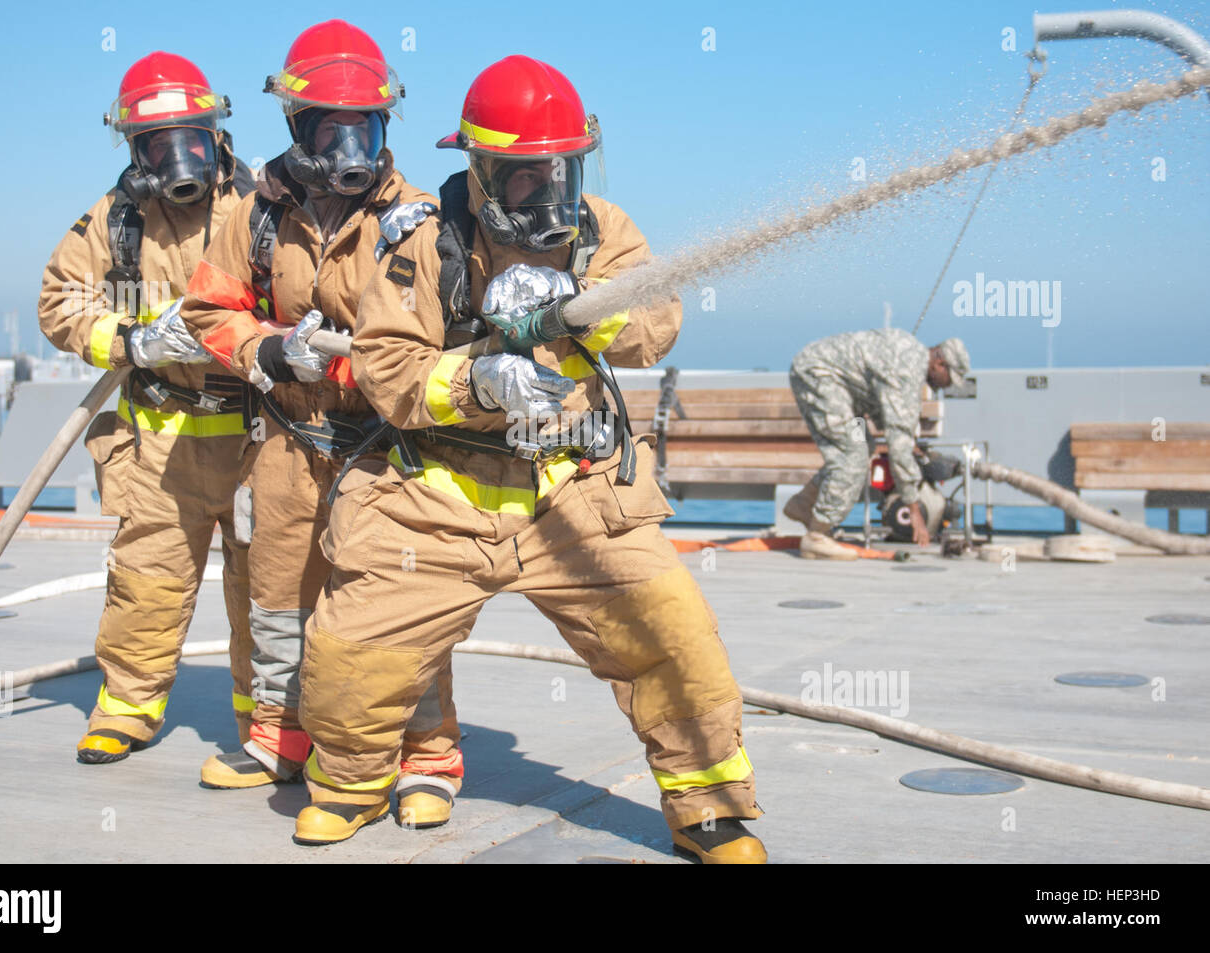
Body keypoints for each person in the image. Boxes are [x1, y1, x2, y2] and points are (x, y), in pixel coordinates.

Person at [293, 55, 767, 864]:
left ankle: (711, 809)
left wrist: (580, 315)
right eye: (522, 180)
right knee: (347, 661)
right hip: (435, 495)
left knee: (676, 634)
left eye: (560, 172)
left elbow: (657, 322)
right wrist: (479, 377)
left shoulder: (605, 232)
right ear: (480, 176)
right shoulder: (421, 248)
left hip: (573, 492)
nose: (545, 194)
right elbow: (389, 373)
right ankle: (349, 784)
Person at [180, 20, 462, 827]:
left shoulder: (412, 216)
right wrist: (271, 352)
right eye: (331, 129)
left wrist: (342, 362)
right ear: (297, 129)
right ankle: (282, 734)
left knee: (394, 596)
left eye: (365, 128)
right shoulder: (258, 215)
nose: (351, 146)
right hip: (287, 439)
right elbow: (210, 308)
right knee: (279, 592)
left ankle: (426, 751)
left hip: (384, 447)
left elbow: (425, 338)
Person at [37, 52, 255, 763]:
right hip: (162, 443)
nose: (177, 157)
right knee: (147, 580)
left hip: (261, 439)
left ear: (215, 132)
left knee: (271, 588)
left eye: (189, 139)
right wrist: (131, 340)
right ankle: (127, 706)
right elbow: (61, 301)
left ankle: (269, 719)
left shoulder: (261, 205)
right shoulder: (116, 219)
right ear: (135, 149)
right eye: (157, 145)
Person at [784, 330, 970, 559]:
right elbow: (898, 446)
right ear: (940, 364)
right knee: (852, 454)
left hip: (837, 387)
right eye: (949, 379)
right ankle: (816, 537)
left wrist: (906, 442)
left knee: (865, 446)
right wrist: (914, 508)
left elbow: (887, 413)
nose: (945, 386)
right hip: (819, 376)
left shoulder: (910, 350)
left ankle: (805, 504)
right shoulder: (908, 372)